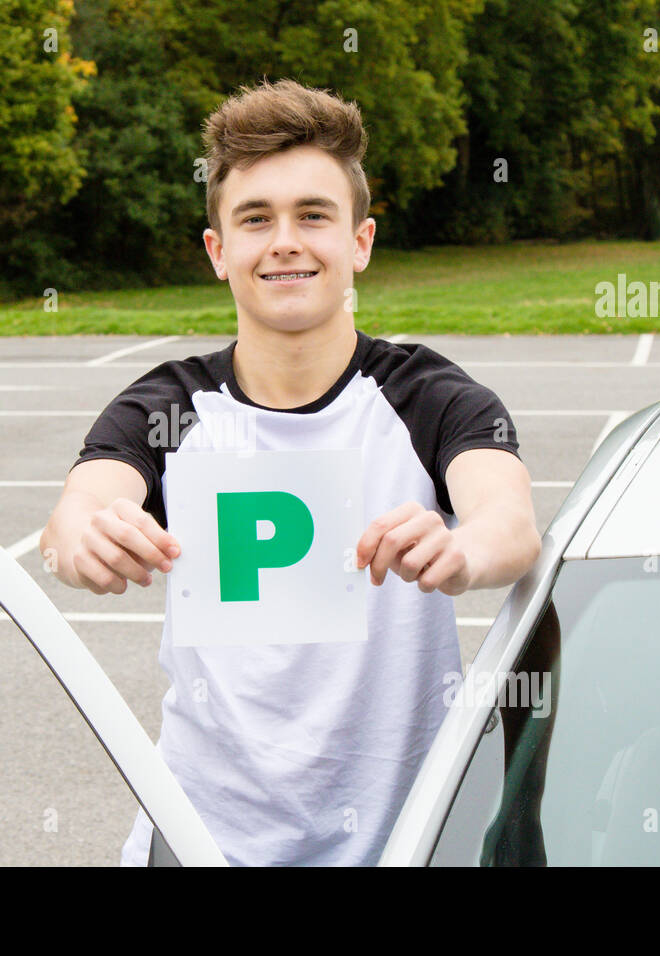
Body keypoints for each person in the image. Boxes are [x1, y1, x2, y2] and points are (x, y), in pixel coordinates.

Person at [38, 78, 541, 866]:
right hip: (199, 844)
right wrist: (87, 541)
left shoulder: (430, 397)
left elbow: (509, 520)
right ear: (219, 252)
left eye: (313, 215)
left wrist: (465, 550)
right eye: (255, 219)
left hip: (399, 842)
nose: (285, 241)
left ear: (360, 242)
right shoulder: (169, 406)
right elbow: (77, 514)